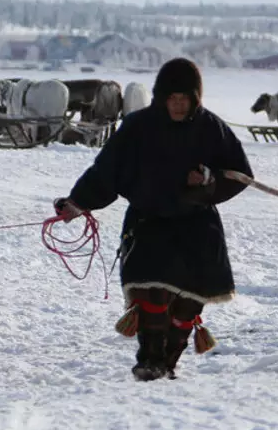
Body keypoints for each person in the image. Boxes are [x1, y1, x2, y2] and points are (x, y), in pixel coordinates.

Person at [53, 58, 253, 382]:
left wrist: (208, 182)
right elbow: (106, 172)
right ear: (160, 98)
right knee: (153, 293)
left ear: (194, 99)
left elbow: (240, 175)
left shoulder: (211, 128)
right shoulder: (137, 127)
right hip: (149, 223)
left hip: (197, 225)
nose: (178, 105)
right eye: (172, 98)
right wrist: (78, 203)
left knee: (189, 302)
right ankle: (149, 359)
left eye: (184, 99)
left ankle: (169, 361)